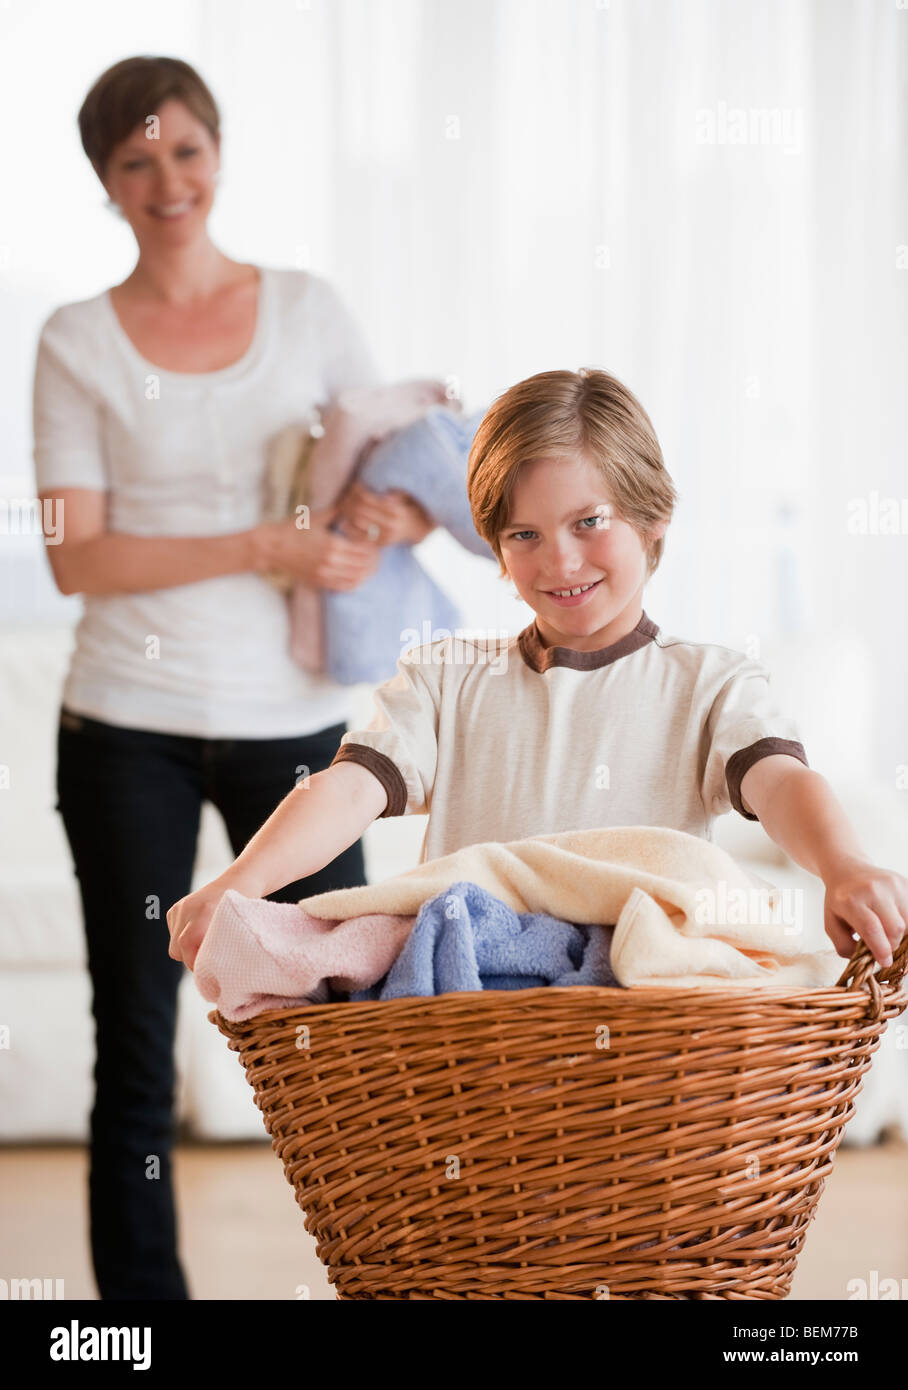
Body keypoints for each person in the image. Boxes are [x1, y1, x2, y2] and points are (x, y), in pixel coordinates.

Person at [33, 55, 433, 1302]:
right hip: (125, 732)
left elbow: (411, 476)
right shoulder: (74, 339)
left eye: (186, 151)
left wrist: (380, 520)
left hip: (300, 739)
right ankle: (141, 1324)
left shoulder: (309, 308)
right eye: (137, 160)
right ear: (106, 181)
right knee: (137, 1051)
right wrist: (261, 545)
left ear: (219, 154)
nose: (168, 181)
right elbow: (71, 552)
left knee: (354, 1034)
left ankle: (392, 1281)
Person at [166, 367, 908, 981]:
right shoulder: (445, 678)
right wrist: (240, 884)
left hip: (635, 1018)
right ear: (496, 548)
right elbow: (348, 789)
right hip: (481, 1025)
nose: (560, 560)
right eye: (525, 534)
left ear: (654, 519)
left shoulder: (711, 683)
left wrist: (843, 866)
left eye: (590, 522)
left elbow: (779, 783)